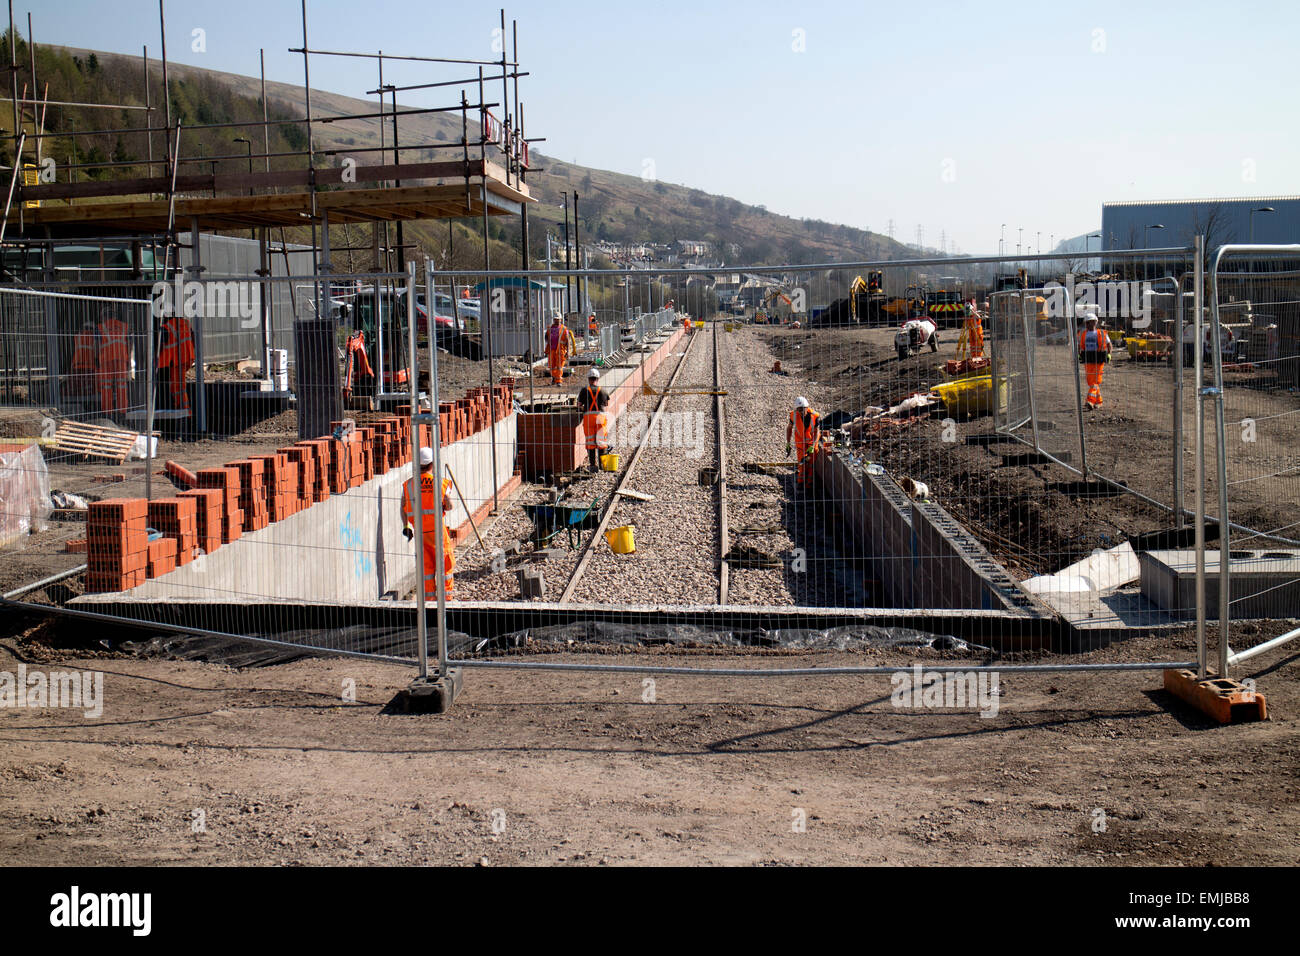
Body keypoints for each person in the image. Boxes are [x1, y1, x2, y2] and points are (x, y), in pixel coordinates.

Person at [401, 447, 455, 599]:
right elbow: (450, 506)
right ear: (432, 463)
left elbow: (403, 507)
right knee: (445, 566)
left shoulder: (408, 485)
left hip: (420, 533)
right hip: (438, 532)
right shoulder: (441, 483)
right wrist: (445, 504)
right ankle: (446, 602)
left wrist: (406, 526)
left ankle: (429, 602)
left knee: (426, 569)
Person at [156, 312, 195, 411]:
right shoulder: (186, 322)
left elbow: (161, 344)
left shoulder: (167, 326)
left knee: (177, 387)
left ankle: (183, 410)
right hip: (187, 357)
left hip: (177, 360)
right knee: (179, 384)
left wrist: (157, 359)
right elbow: (193, 337)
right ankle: (181, 407)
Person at [97, 309, 131, 418]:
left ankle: (107, 413)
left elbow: (97, 345)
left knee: (106, 386)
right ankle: (122, 413)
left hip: (106, 360)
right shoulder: (124, 326)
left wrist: (96, 359)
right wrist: (128, 359)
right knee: (122, 386)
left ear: (104, 317)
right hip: (121, 359)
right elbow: (129, 343)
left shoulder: (100, 327)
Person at [1077, 311, 1112, 409]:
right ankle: (1099, 401)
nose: (1088, 324)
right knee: (1091, 382)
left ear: (1095, 322)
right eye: (1087, 322)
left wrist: (1109, 354)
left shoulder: (1101, 333)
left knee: (1095, 381)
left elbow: (1109, 345)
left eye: (1091, 322)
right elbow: (1079, 346)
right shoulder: (1082, 334)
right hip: (1088, 359)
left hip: (1099, 359)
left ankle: (1090, 401)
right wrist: (1078, 354)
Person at [785, 396, 822, 488]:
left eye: (803, 409)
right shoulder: (793, 415)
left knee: (811, 464)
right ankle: (801, 482)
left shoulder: (815, 416)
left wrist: (813, 446)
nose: (801, 412)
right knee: (801, 463)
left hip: (811, 442)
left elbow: (817, 432)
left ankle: (809, 484)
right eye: (799, 410)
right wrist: (788, 443)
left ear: (807, 408)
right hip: (800, 442)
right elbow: (789, 428)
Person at [580, 368, 610, 471]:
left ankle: (593, 465)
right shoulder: (603, 390)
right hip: (600, 418)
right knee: (601, 442)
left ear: (589, 379)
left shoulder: (584, 390)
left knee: (590, 442)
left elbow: (579, 405)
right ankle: (603, 465)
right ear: (597, 378)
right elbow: (606, 404)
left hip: (589, 418)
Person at [69, 321, 99, 408]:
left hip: (77, 365)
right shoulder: (95, 337)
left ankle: (80, 403)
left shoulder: (77, 336)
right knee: (91, 388)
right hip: (91, 366)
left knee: (78, 387)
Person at [545, 313, 576, 386]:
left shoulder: (564, 329)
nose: (556, 321)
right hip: (552, 350)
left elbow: (567, 340)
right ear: (553, 320)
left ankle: (558, 381)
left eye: (558, 319)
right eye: (555, 319)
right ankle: (554, 377)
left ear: (560, 320)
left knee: (559, 366)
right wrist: (549, 342)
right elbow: (546, 337)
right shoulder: (549, 328)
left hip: (560, 350)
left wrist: (568, 351)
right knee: (552, 366)